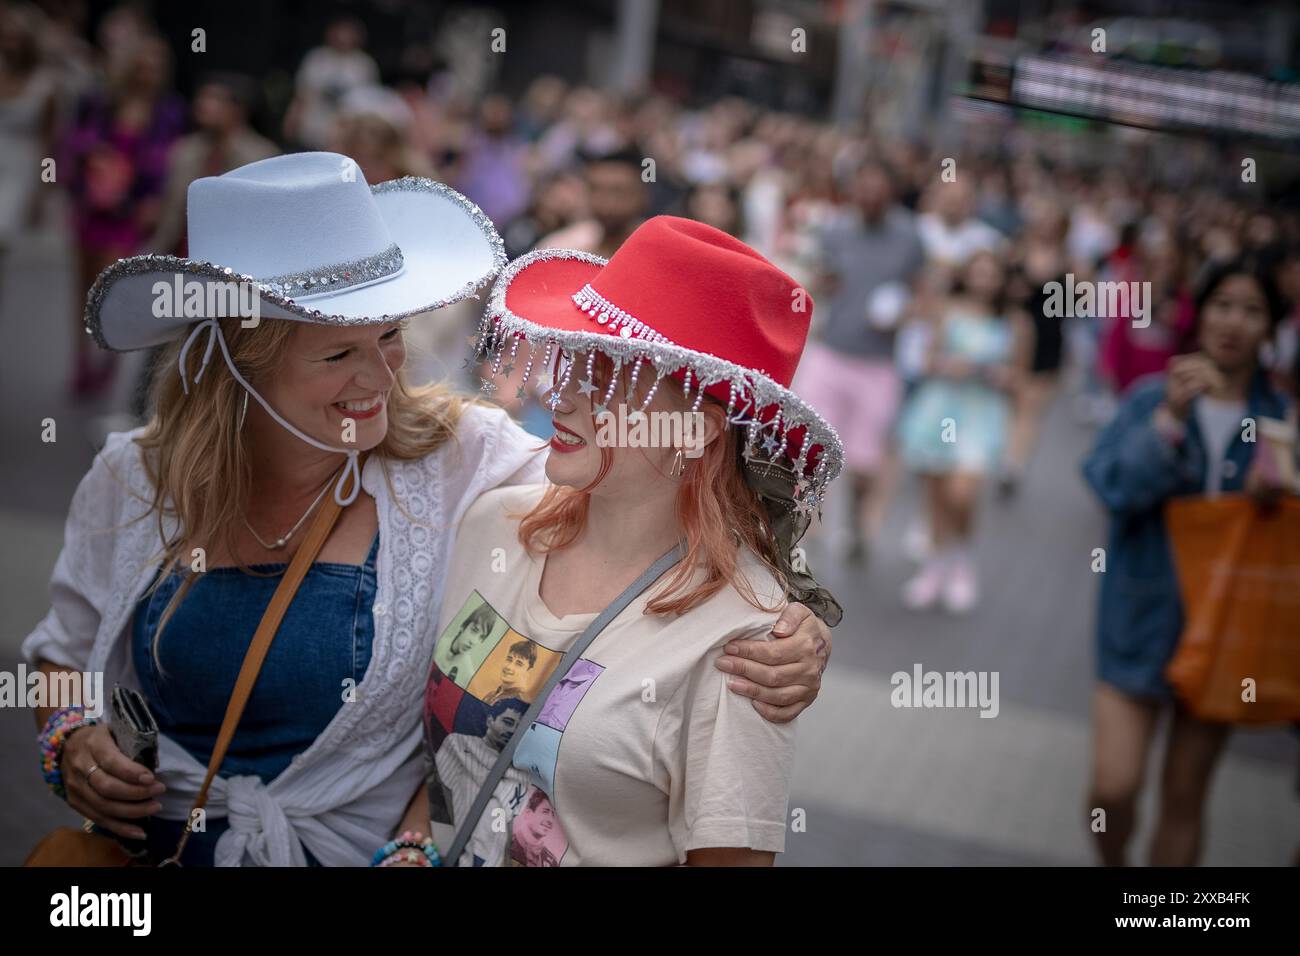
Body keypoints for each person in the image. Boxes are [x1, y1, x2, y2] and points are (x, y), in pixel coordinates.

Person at [23, 153, 838, 867]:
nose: (381, 379)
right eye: (340, 353)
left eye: (391, 338)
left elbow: (667, 500)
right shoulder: (132, 480)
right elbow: (59, 655)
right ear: (239, 361)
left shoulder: (459, 462)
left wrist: (798, 621)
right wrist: (71, 741)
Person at [393, 216, 844, 867]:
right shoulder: (494, 524)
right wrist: (407, 850)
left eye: (606, 380)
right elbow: (447, 764)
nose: (558, 395)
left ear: (697, 431)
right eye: (572, 365)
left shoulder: (748, 644)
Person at [1082, 256, 1291, 866]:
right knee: (1113, 789)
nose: (1233, 321)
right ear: (1201, 314)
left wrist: (1274, 500)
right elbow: (1110, 484)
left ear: (1271, 328)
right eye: (1223, 304)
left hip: (1224, 628)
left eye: (1252, 310)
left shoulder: (1280, 420)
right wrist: (1169, 423)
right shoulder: (1153, 397)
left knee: (1185, 796)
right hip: (1138, 618)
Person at [794, 159, 925, 561]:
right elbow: (817, 280)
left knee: (865, 465)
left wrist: (906, 314)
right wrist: (823, 284)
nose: (867, 197)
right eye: (861, 189)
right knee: (810, 451)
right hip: (831, 354)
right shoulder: (835, 229)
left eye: (876, 189)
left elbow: (923, 291)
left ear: (891, 191)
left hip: (878, 365)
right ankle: (804, 538)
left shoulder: (909, 237)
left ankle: (855, 518)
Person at [895, 250, 1031, 613]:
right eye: (979, 272)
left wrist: (1003, 377)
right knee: (936, 494)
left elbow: (1021, 379)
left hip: (981, 415)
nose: (984, 280)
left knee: (963, 494)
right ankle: (935, 568)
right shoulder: (947, 309)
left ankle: (961, 560)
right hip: (940, 410)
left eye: (992, 274)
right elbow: (926, 359)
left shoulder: (1016, 322)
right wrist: (948, 365)